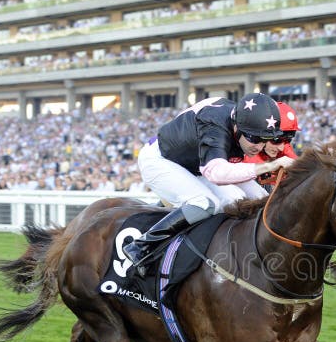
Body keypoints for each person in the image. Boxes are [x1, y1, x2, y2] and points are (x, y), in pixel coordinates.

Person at [122, 92, 292, 274]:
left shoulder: (241, 122)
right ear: (237, 127)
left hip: (193, 165)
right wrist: (268, 166)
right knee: (204, 203)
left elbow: (240, 182)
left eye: (265, 140)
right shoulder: (215, 126)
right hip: (160, 160)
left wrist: (269, 201)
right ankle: (141, 246)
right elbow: (216, 173)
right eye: (255, 139)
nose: (258, 146)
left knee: (244, 201)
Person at [243, 101, 300, 189]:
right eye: (277, 140)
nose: (281, 148)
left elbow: (301, 167)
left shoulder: (282, 145)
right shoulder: (247, 147)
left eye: (287, 140)